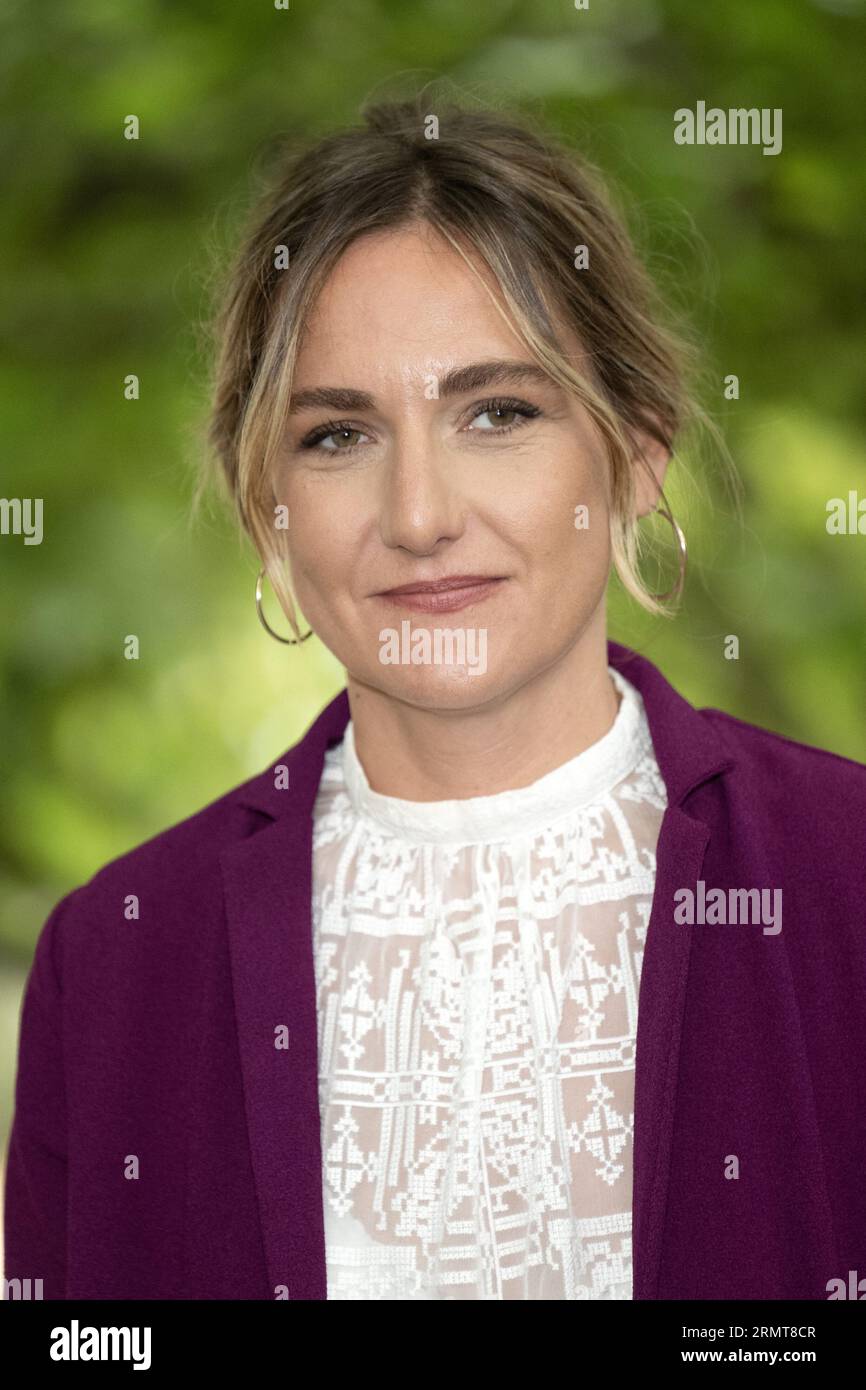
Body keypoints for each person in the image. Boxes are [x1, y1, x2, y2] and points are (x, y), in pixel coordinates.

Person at [5, 93, 866, 1302]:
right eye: (338, 436)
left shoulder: (847, 878)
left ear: (635, 452)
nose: (419, 515)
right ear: (269, 510)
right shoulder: (112, 964)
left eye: (496, 412)